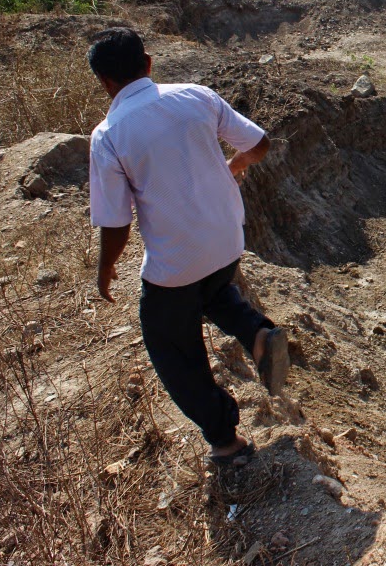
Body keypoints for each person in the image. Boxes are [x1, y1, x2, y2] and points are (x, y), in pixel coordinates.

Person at [87, 28, 288, 466]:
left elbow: (116, 222)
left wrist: (104, 271)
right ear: (149, 62)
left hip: (177, 263)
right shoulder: (195, 96)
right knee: (214, 292)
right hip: (228, 239)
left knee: (171, 346)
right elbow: (259, 143)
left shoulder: (109, 135)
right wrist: (235, 164)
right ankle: (257, 334)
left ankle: (225, 440)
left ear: (104, 81)